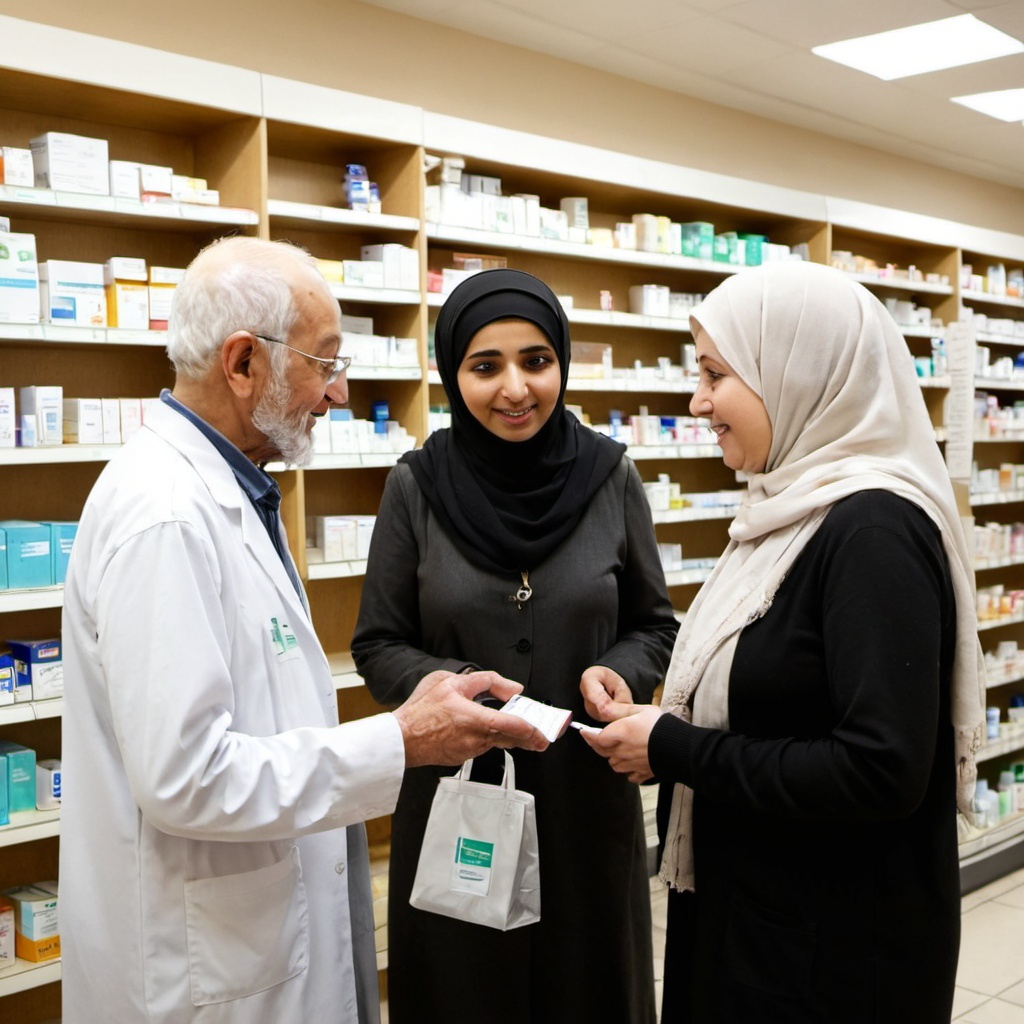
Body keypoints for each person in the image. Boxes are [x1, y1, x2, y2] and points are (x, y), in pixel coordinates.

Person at [58, 237, 548, 1024]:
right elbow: (187, 777)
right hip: (204, 971)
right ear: (244, 363)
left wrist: (412, 714)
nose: (340, 392)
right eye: (324, 363)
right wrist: (399, 740)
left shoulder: (234, 489)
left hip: (251, 932)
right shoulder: (166, 516)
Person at [582, 260, 986, 1024]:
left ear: (798, 373)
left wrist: (674, 746)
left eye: (714, 374)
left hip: (833, 958)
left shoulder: (873, 531)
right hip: (762, 924)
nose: (698, 401)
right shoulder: (785, 512)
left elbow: (881, 769)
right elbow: (779, 692)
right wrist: (668, 714)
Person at [351, 267, 679, 1024]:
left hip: (586, 794)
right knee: (469, 992)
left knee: (588, 986)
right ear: (451, 372)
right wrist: (455, 687)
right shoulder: (418, 486)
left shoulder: (610, 476)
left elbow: (655, 623)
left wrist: (620, 670)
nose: (516, 388)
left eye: (536, 360)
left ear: (561, 360)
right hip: (455, 795)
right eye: (485, 365)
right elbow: (377, 643)